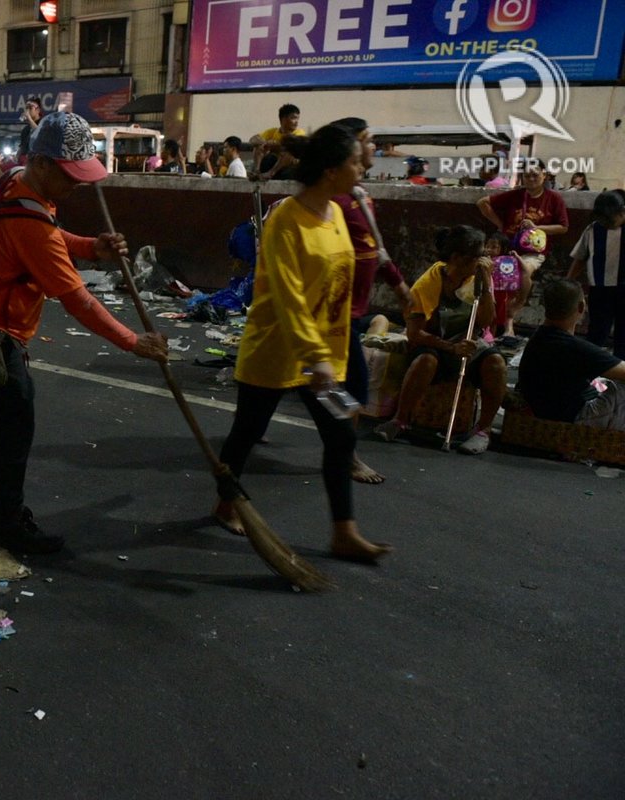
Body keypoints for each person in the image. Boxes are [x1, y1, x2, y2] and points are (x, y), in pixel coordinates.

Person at [0, 111, 168, 553]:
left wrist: (91, 247)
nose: (77, 184)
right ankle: (6, 522)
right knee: (14, 426)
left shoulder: (17, 183)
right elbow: (78, 299)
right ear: (42, 164)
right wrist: (133, 342)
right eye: (70, 175)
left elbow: (53, 235)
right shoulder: (30, 221)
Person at [212, 124, 389, 563]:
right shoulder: (287, 220)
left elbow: (340, 285)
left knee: (341, 433)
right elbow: (289, 296)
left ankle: (344, 533)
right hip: (277, 351)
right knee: (246, 433)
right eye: (353, 161)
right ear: (331, 170)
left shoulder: (337, 212)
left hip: (320, 358)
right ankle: (226, 502)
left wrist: (334, 350)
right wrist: (317, 357)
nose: (362, 165)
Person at [329, 117, 413, 484]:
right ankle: (343, 454)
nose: (373, 147)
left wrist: (399, 285)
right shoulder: (330, 202)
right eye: (367, 140)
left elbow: (374, 248)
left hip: (353, 309)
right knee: (352, 386)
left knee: (337, 387)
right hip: (332, 312)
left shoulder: (360, 196)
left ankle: (338, 447)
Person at [374, 225, 507, 455]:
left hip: (467, 342)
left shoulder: (479, 277)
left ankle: (482, 430)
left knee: (496, 364)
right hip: (434, 344)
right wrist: (451, 347)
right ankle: (400, 420)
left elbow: (487, 321)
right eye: (477, 257)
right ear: (457, 258)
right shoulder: (428, 283)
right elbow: (414, 334)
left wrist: (485, 283)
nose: (482, 261)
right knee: (426, 361)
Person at [477, 159, 570, 336]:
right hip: (507, 248)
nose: (531, 179)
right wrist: (500, 225)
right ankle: (492, 322)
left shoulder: (553, 199)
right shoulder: (515, 195)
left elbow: (563, 227)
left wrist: (537, 227)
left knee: (523, 269)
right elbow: (482, 203)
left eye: (535, 174)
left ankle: (513, 312)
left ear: (544, 175)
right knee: (489, 273)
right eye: (527, 175)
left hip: (532, 253)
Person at [517, 279, 625, 430]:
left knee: (603, 381)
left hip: (551, 409)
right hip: (573, 417)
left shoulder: (540, 337)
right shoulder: (570, 346)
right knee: (621, 387)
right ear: (581, 307)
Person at [567, 189, 625, 359]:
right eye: (602, 219)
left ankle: (620, 371)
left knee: (623, 334)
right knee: (597, 331)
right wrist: (568, 280)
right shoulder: (593, 230)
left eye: (609, 219)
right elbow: (580, 257)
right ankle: (592, 367)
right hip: (600, 289)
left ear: (622, 212)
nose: (605, 223)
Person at [249, 103, 304, 180]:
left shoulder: (299, 133)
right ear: (283, 119)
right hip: (272, 162)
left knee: (289, 152)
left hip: (290, 167)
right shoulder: (273, 131)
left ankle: (270, 174)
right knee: (258, 146)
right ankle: (256, 171)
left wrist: (274, 145)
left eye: (297, 118)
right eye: (293, 118)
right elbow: (253, 139)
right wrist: (264, 143)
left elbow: (290, 146)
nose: (296, 122)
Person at [17, 97, 42, 164]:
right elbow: (22, 147)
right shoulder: (25, 130)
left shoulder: (44, 123)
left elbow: (40, 134)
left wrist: (29, 118)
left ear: (38, 110)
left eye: (30, 108)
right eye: (26, 108)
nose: (27, 111)